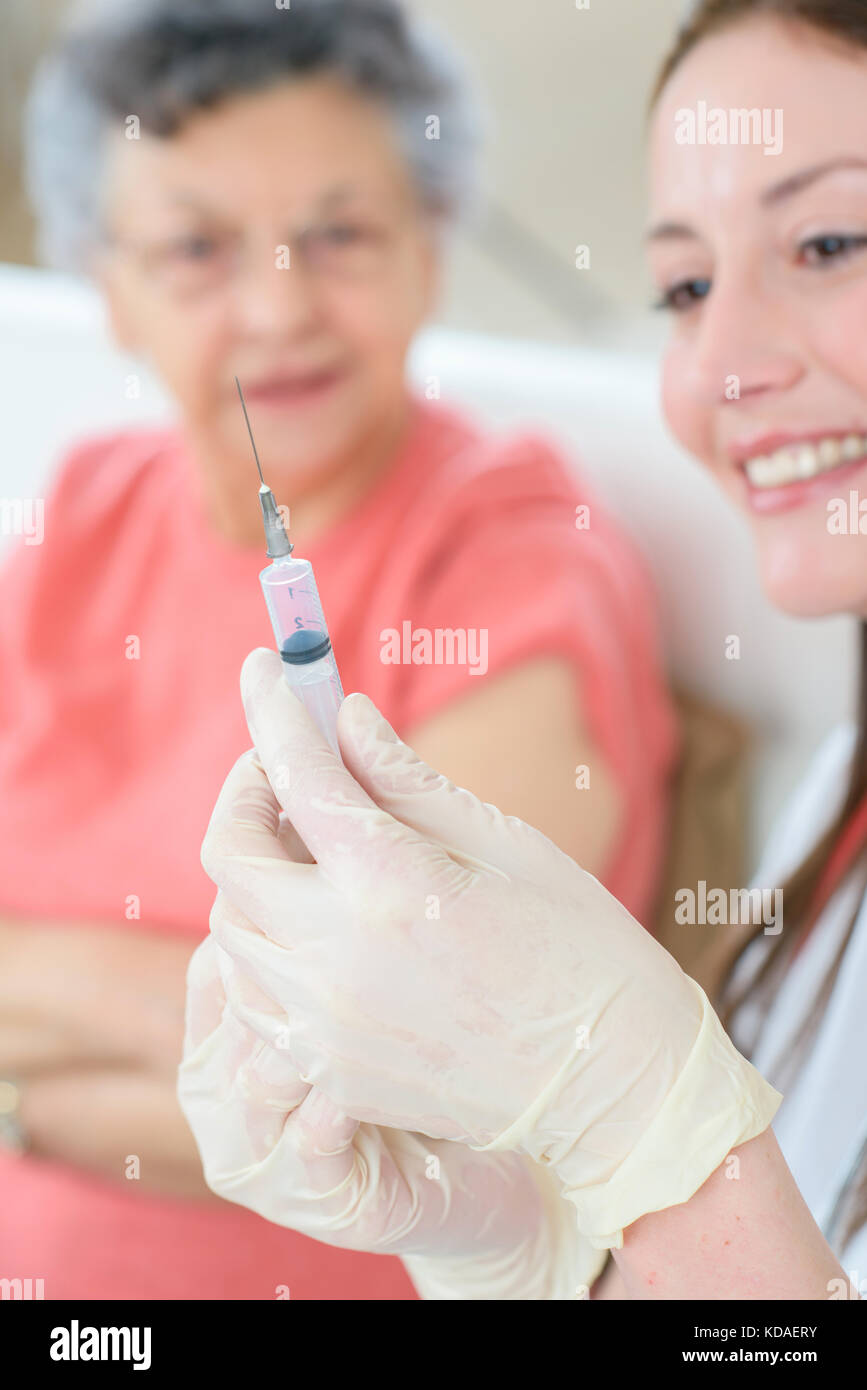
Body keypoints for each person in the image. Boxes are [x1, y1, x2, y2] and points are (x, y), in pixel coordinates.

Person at [179, 0, 867, 1299]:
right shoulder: (842, 797)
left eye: (829, 240)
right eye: (683, 286)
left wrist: (637, 1119)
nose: (718, 363)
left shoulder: (511, 535)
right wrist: (518, 1244)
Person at [0, 0, 676, 1300]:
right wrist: (214, 1002)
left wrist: (23, 1087)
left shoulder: (512, 552)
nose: (278, 304)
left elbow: (412, 1053)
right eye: (197, 248)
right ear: (110, 287)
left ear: (432, 246)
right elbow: (289, 1027)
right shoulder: (80, 513)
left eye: (342, 233)